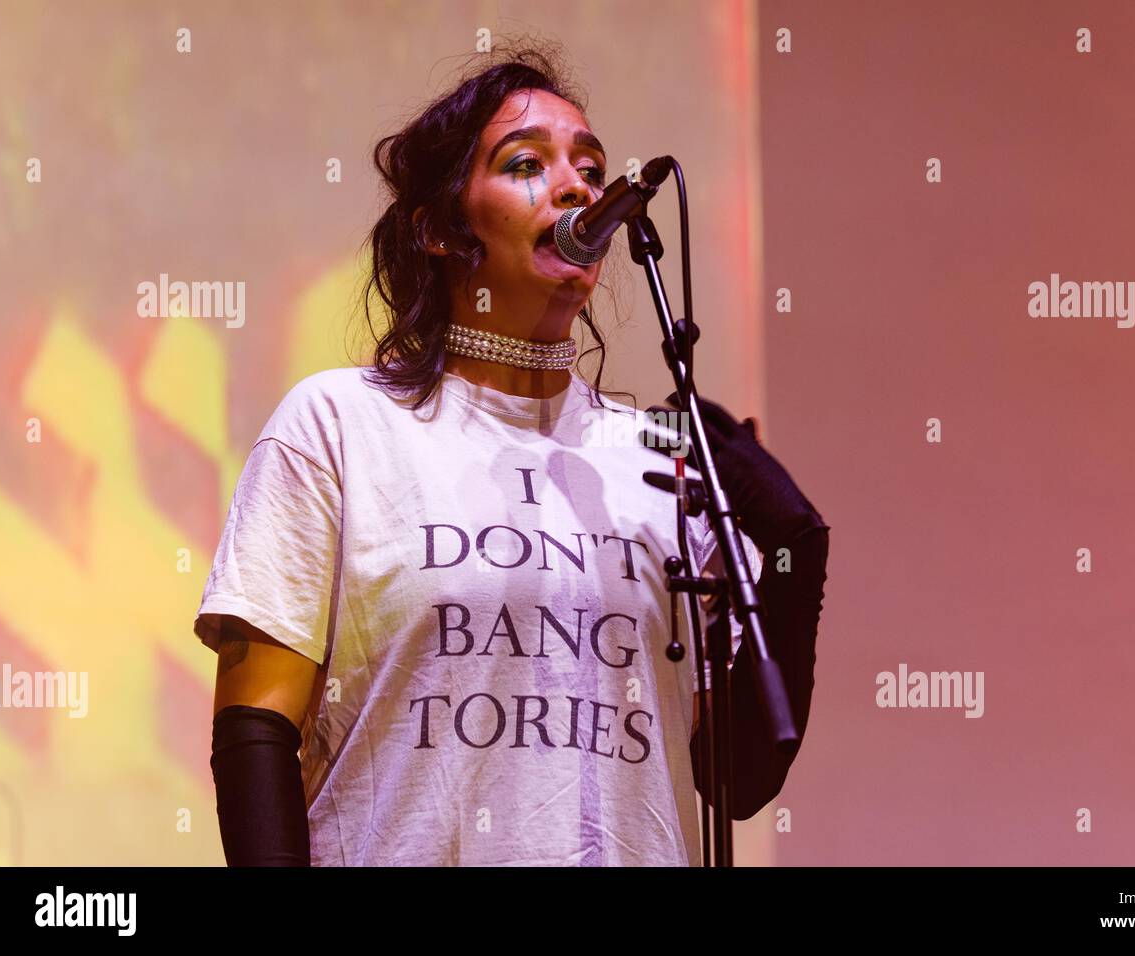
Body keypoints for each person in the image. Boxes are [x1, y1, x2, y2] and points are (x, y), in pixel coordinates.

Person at [194, 43, 830, 866]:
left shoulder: (656, 460)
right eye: (526, 164)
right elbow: (255, 731)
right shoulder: (340, 424)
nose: (576, 188)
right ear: (437, 229)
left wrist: (793, 555)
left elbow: (736, 781)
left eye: (591, 170)